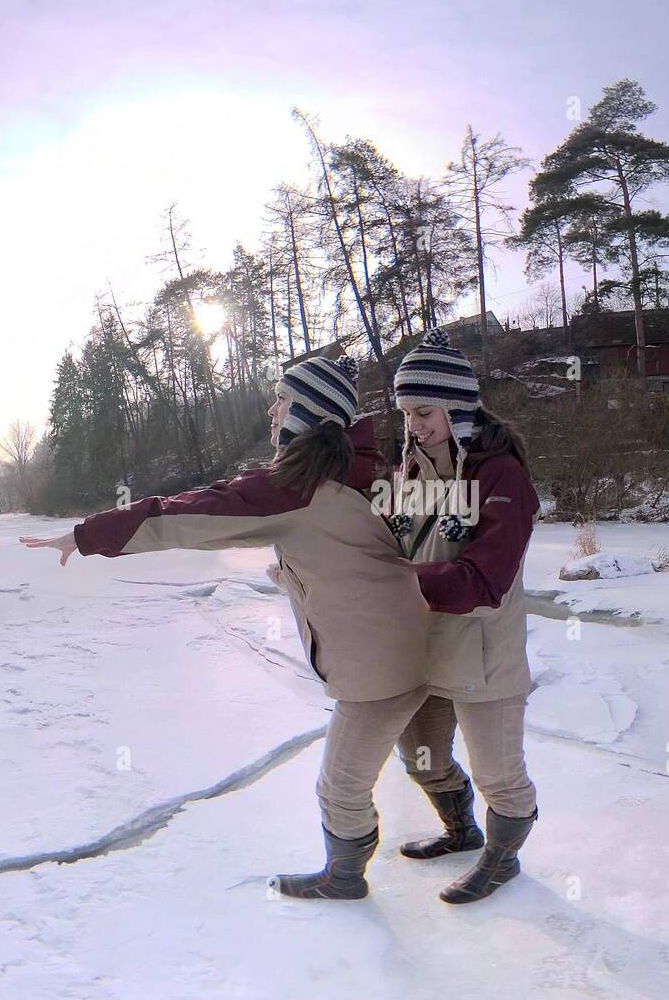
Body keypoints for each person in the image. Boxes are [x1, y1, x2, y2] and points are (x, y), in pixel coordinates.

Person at [23, 353, 429, 901]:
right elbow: (350, 552)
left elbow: (187, 515)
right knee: (425, 754)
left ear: (307, 414)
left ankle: (345, 879)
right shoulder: (355, 473)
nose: (271, 408)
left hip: (378, 666)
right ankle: (463, 829)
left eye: (283, 399)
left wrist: (88, 535)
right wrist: (295, 573)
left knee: (340, 787)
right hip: (405, 646)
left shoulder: (296, 488)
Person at [380, 332, 540, 904]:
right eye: (405, 413)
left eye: (424, 411)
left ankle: (503, 857)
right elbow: (396, 545)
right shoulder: (411, 472)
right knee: (420, 756)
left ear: (457, 408)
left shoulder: (501, 477)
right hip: (424, 646)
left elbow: (485, 579)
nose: (414, 425)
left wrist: (390, 585)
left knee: (499, 774)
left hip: (482, 648)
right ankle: (461, 828)